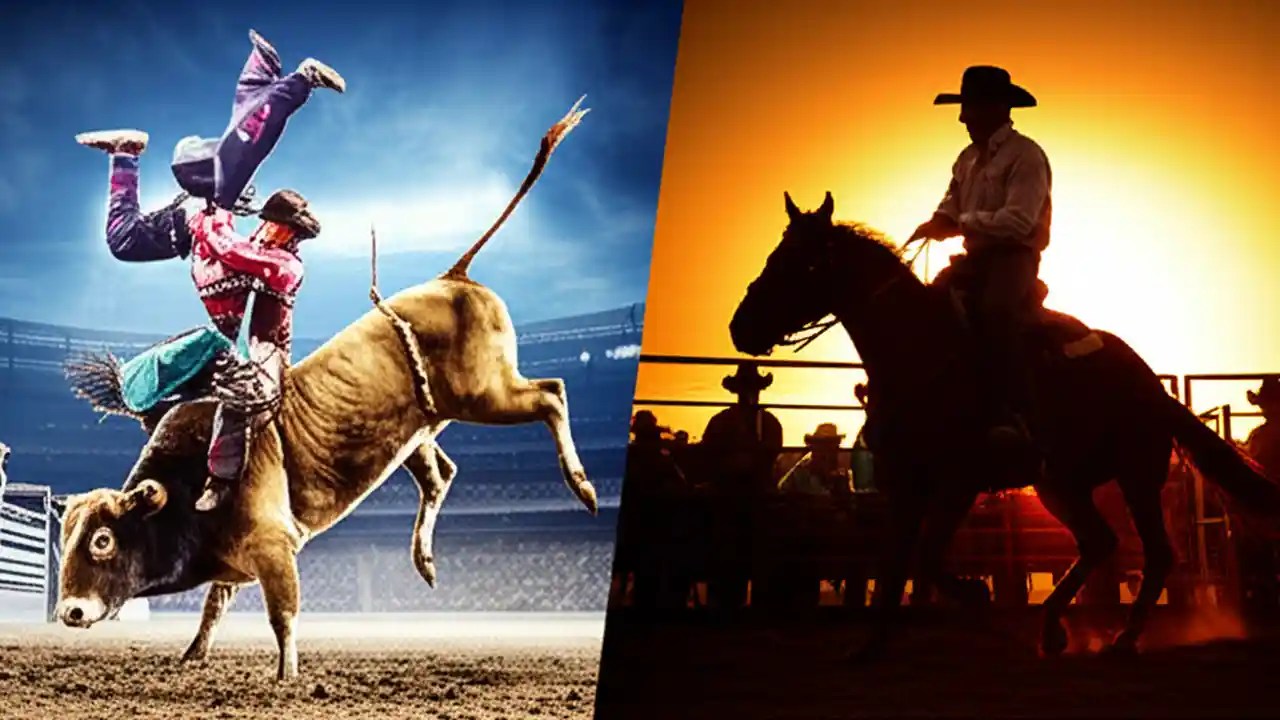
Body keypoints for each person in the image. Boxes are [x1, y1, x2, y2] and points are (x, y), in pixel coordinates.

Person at [74, 29, 344, 263]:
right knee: (246, 142)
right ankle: (295, 78)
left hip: (191, 208)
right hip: (203, 204)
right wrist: (303, 80)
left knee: (125, 239)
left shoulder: (236, 201)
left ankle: (125, 152)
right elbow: (254, 139)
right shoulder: (229, 196)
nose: (291, 246)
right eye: (293, 240)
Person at [906, 65, 1052, 452]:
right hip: (976, 257)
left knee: (996, 311)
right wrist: (940, 218)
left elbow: (1019, 220)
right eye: (964, 107)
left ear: (997, 109)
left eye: (969, 107)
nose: (962, 117)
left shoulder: (1027, 156)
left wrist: (960, 223)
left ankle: (1017, 413)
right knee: (924, 308)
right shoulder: (967, 158)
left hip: (1013, 257)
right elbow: (952, 198)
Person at [188, 189, 319, 511]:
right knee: (178, 360)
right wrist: (215, 212)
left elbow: (227, 250)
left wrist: (205, 219)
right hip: (231, 344)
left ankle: (220, 480)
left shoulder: (286, 265)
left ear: (291, 232)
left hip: (267, 349)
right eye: (267, 222)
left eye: (275, 224)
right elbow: (213, 256)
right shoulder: (253, 250)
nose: (266, 228)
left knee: (242, 390)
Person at [778, 423, 853, 498]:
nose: (827, 451)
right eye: (822, 446)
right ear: (814, 448)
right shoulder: (799, 474)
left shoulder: (841, 477)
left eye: (832, 446)